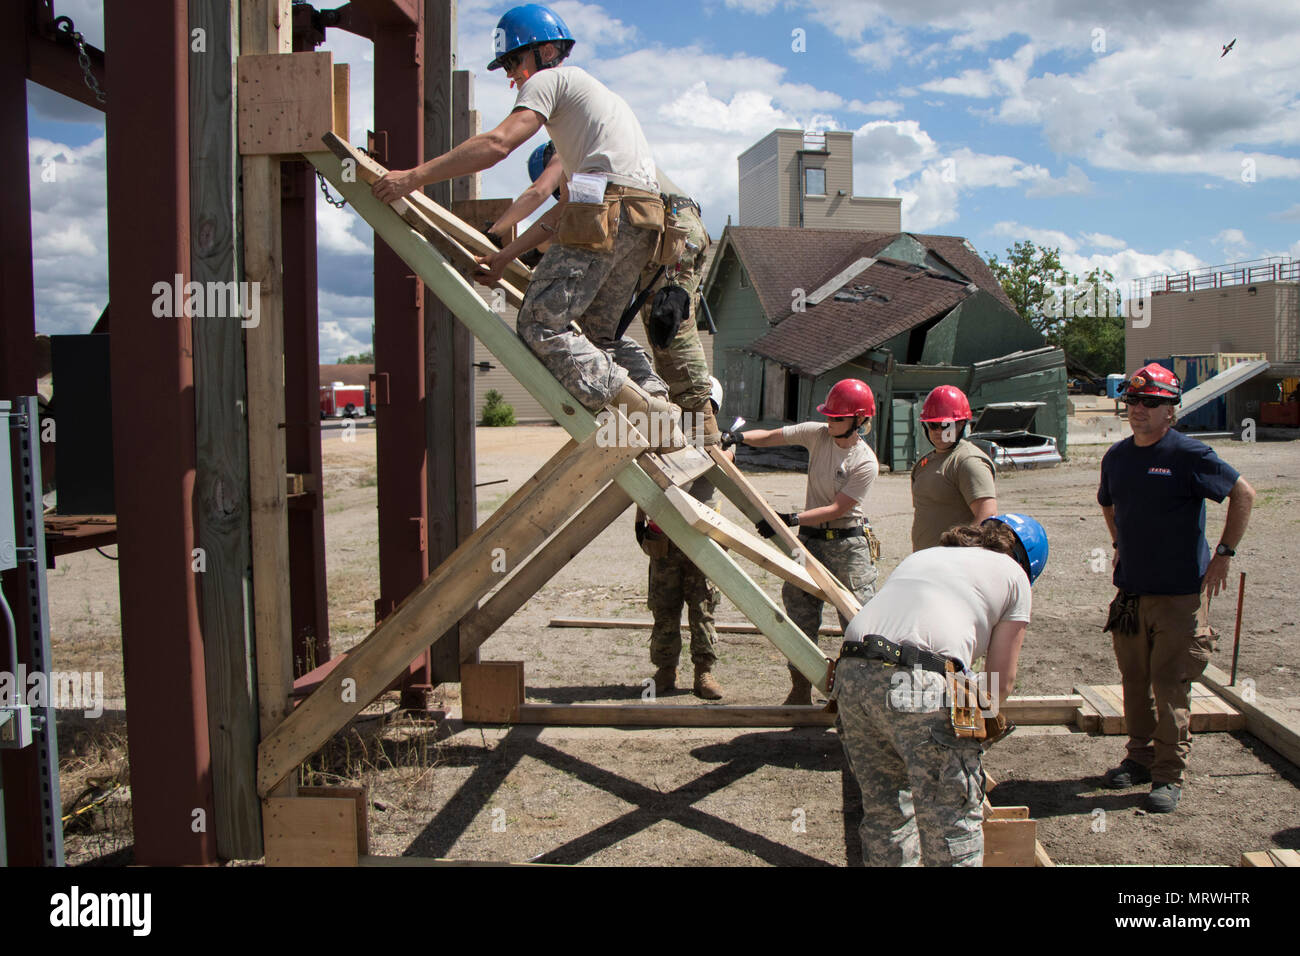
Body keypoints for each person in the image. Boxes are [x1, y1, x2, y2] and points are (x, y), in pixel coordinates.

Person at [371, 4, 682, 448]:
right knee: (599, 338)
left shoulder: (550, 81)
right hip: (643, 218)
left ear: (547, 51)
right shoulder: (598, 111)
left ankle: (642, 411)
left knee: (540, 325)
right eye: (508, 67)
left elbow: (499, 144)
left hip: (611, 210)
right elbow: (564, 214)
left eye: (515, 62)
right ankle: (655, 402)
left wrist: (413, 178)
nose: (513, 76)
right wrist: (503, 258)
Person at [833, 514, 1048, 867]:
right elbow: (1000, 681)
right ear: (1028, 564)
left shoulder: (926, 555)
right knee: (952, 825)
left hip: (851, 671)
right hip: (919, 681)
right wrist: (969, 742)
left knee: (885, 814)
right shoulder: (1014, 577)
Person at [478, 141, 719, 443]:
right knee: (640, 336)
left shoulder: (567, 148)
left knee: (671, 336)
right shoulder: (608, 158)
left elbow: (545, 199)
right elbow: (568, 223)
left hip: (669, 226)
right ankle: (667, 412)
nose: (561, 195)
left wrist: (498, 235)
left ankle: (703, 439)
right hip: (665, 222)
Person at [1097, 363, 1255, 813]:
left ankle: (1168, 775)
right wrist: (1118, 542)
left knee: (1169, 684)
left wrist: (1224, 553)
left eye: (1151, 403)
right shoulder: (1118, 457)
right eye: (1132, 401)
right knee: (1134, 682)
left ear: (1172, 410)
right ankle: (1139, 758)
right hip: (1131, 593)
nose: (1138, 410)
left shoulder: (1190, 454)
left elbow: (1243, 493)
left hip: (1178, 596)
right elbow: (1107, 503)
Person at [721, 379, 880, 704]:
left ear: (859, 420)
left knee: (857, 619)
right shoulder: (818, 434)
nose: (831, 421)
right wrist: (738, 438)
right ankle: (800, 688)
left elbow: (838, 508)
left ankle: (857, 697)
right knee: (800, 611)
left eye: (839, 417)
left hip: (847, 546)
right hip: (810, 540)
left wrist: (790, 519)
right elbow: (773, 437)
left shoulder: (865, 462)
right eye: (831, 416)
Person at [635, 378, 729, 699]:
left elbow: (725, 465)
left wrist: (719, 448)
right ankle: (665, 671)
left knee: (702, 609)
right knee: (664, 609)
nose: (697, 417)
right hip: (665, 538)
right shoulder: (663, 438)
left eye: (705, 411)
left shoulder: (719, 444)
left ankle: (704, 673)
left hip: (702, 540)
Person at [910, 385, 998, 551]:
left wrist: (958, 551)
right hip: (926, 561)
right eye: (932, 425)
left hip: (953, 564)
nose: (937, 431)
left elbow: (987, 515)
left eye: (945, 425)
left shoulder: (968, 461)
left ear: (961, 424)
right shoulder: (926, 462)